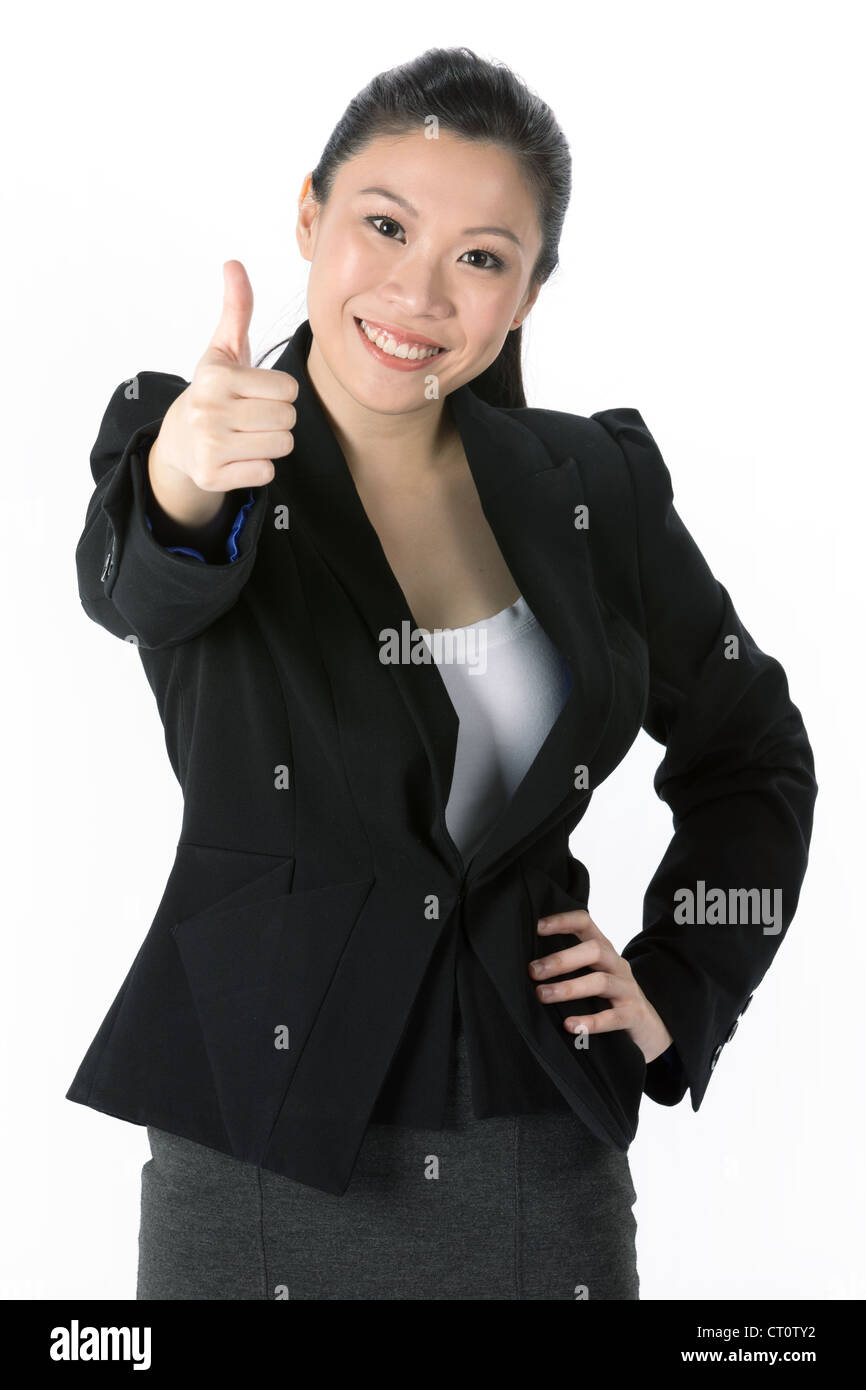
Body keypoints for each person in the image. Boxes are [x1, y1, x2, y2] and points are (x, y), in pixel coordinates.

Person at [67, 47, 817, 1301]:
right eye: (381, 224)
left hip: (535, 1145)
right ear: (308, 215)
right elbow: (139, 579)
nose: (417, 291)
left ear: (526, 293)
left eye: (479, 256)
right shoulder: (198, 442)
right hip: (256, 1151)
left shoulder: (597, 486)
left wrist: (681, 982)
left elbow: (752, 751)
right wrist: (186, 481)